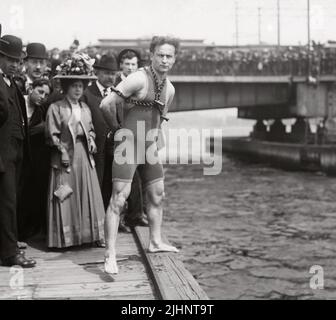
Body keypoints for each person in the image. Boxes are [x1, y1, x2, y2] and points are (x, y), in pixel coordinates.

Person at [101, 36, 180, 274]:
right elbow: (106, 104)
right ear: (152, 55)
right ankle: (110, 255)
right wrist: (118, 130)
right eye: (160, 55)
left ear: (174, 59)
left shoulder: (170, 89)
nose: (164, 60)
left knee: (158, 195)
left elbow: (160, 118)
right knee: (119, 199)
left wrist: (154, 141)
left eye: (169, 56)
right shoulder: (138, 78)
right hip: (128, 144)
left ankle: (155, 242)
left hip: (149, 146)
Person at [45, 53, 105, 248]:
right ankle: (65, 239)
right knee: (65, 194)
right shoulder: (56, 108)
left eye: (80, 86)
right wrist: (61, 150)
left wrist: (92, 140)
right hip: (65, 155)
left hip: (84, 154)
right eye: (74, 86)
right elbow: (51, 134)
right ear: (66, 88)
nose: (78, 90)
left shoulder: (86, 108)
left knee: (88, 192)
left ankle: (90, 235)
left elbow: (91, 129)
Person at [0, 34, 36, 267]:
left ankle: (8, 245)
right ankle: (10, 254)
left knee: (9, 201)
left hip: (14, 152)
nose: (15, 64)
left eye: (17, 60)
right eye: (9, 59)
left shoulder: (11, 83)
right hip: (3, 154)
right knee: (7, 203)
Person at [115, 48, 148, 232]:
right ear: (121, 65)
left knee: (142, 175)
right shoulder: (115, 84)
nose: (129, 68)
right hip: (121, 137)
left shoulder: (141, 85)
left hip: (140, 136)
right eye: (126, 64)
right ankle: (123, 218)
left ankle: (136, 215)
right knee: (126, 179)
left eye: (133, 65)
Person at [82, 54, 118, 206]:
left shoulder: (117, 94)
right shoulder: (87, 93)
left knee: (112, 184)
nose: (111, 77)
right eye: (107, 73)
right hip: (95, 148)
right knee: (96, 182)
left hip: (114, 148)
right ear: (97, 73)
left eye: (113, 74)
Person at [19, 79, 52, 239]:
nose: (42, 97)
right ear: (30, 88)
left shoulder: (42, 111)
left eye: (46, 95)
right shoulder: (18, 103)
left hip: (31, 160)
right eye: (40, 92)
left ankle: (25, 232)